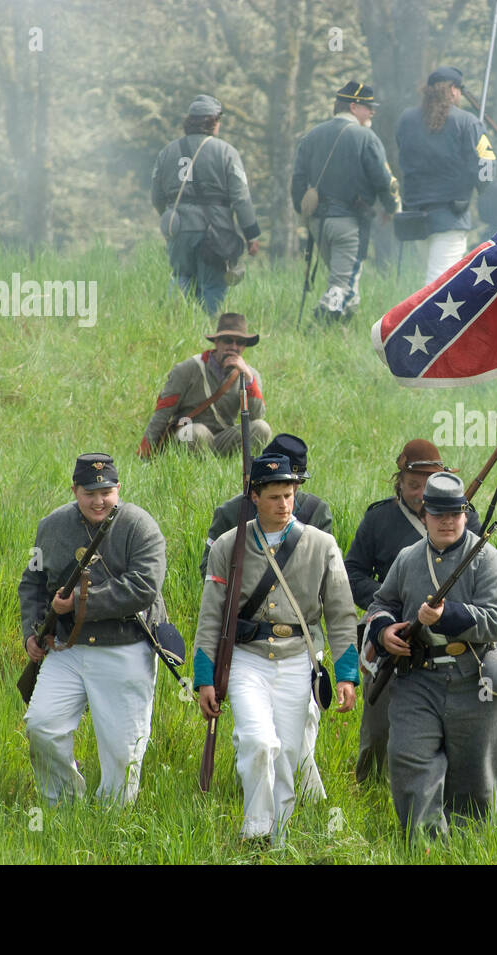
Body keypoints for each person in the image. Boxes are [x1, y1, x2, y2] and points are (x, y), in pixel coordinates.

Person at [194, 452, 359, 841]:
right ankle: (256, 827)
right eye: (274, 497)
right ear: (254, 496)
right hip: (248, 659)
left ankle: (279, 838)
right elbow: (211, 616)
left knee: (287, 754)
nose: (284, 504)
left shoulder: (322, 545)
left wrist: (346, 674)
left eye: (289, 495)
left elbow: (340, 613)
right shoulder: (228, 545)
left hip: (298, 659)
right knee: (257, 741)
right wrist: (205, 677)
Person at [364, 473, 497, 839]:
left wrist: (447, 616)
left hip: (475, 678)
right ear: (425, 513)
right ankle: (426, 847)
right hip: (418, 678)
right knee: (409, 760)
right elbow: (381, 603)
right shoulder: (407, 558)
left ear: (465, 514)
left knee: (475, 778)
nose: (448, 521)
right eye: (439, 513)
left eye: (455, 513)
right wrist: (384, 631)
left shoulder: (488, 559)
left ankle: (466, 849)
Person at [19, 453, 166, 805]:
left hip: (126, 644)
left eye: (106, 491)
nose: (99, 500)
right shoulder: (50, 527)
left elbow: (144, 587)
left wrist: (82, 603)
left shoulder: (141, 527)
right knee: (41, 725)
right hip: (68, 648)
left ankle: (115, 820)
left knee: (122, 750)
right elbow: (33, 582)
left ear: (118, 488)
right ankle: (63, 803)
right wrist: (32, 630)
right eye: (89, 492)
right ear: (74, 490)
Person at [345, 439, 481, 784]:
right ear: (399, 482)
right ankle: (371, 783)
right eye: (412, 485)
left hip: (449, 631)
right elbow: (353, 571)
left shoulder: (467, 520)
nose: (420, 493)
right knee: (379, 725)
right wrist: (387, 604)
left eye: (427, 485)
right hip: (391, 628)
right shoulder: (379, 518)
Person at [291, 80, 400, 324]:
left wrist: (304, 212)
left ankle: (341, 333)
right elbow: (384, 180)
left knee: (346, 278)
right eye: (367, 106)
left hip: (318, 223)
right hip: (350, 223)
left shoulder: (311, 136)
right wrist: (392, 208)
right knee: (343, 284)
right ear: (353, 107)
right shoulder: (365, 137)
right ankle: (322, 319)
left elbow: (297, 181)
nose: (372, 111)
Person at [151, 94, 260, 315]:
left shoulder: (167, 152)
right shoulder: (226, 152)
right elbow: (241, 198)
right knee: (212, 285)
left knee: (180, 279)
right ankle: (207, 333)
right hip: (215, 230)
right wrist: (252, 234)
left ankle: (173, 327)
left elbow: (156, 196)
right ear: (213, 121)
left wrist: (170, 218)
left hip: (178, 228)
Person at [395, 66, 496, 286]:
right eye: (459, 89)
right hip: (450, 216)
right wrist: (481, 184)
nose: (459, 94)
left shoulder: (406, 119)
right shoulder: (468, 122)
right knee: (439, 286)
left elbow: (402, 152)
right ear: (452, 90)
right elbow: (487, 168)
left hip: (414, 216)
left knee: (431, 281)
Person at [137, 312, 272, 459]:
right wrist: (144, 453)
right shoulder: (187, 369)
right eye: (228, 340)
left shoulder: (249, 375)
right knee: (197, 432)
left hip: (222, 439)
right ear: (217, 342)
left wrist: (247, 379)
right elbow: (162, 413)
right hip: (187, 434)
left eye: (239, 342)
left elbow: (256, 416)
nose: (234, 347)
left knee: (262, 428)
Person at [200, 433, 332, 577]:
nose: (291, 488)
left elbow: (326, 569)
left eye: (297, 482)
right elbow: (208, 567)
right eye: (280, 482)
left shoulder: (316, 512)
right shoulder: (231, 513)